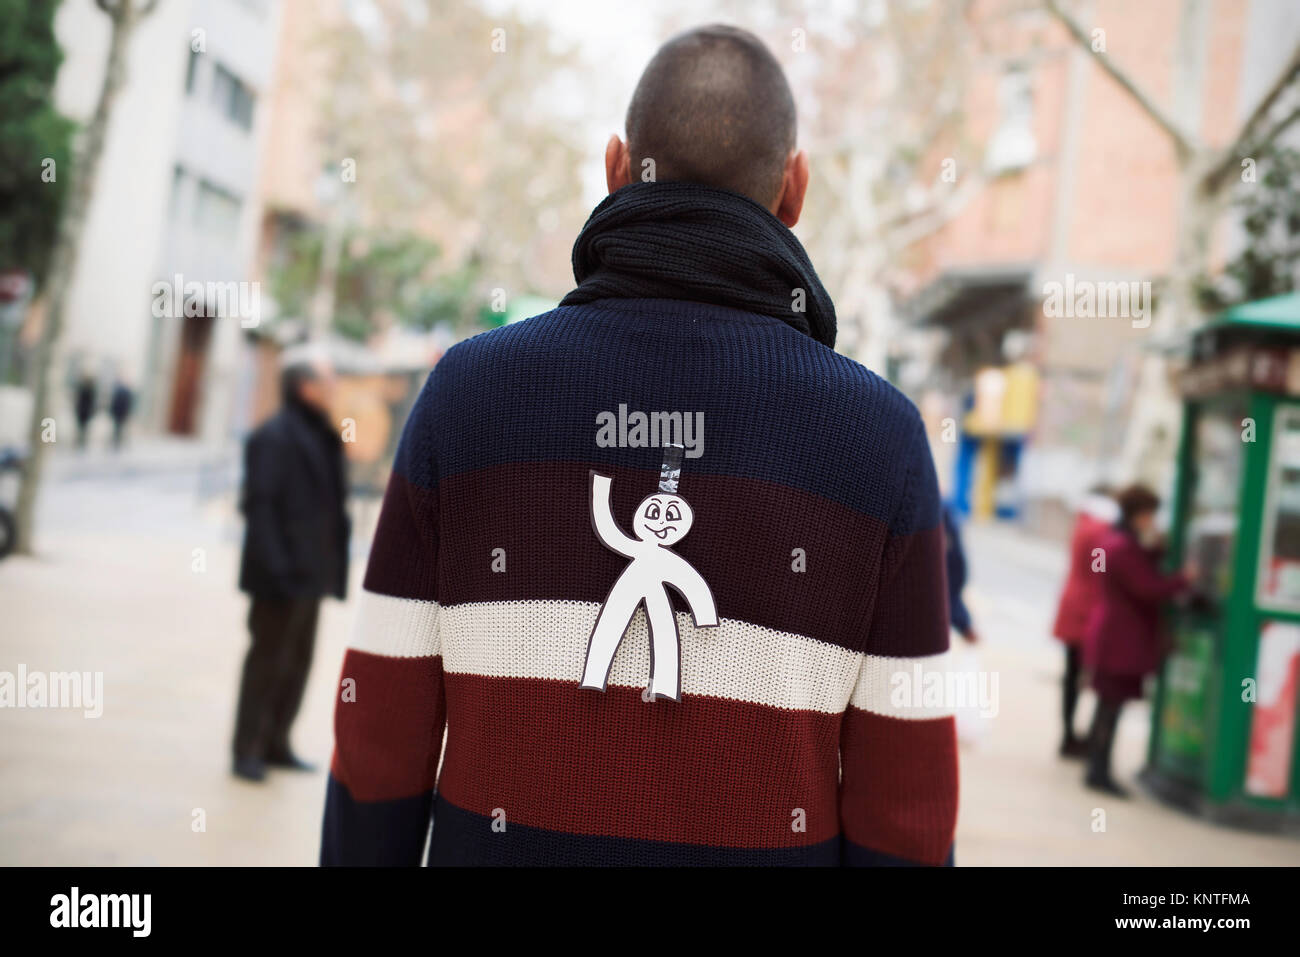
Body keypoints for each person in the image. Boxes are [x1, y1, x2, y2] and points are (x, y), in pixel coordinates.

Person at [322, 24, 957, 866]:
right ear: (794, 190)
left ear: (617, 167)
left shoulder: (467, 394)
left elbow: (380, 741)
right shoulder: (881, 440)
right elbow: (905, 806)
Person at [232, 345, 350, 783]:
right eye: (327, 380)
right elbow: (259, 509)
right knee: (266, 663)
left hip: (310, 577)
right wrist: (278, 570)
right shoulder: (274, 436)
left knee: (297, 664)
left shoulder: (321, 434)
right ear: (306, 387)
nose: (333, 387)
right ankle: (247, 750)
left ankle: (277, 742)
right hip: (279, 578)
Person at [1082, 484, 1190, 797]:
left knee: (1107, 704)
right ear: (1140, 514)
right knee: (1110, 705)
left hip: (1111, 634)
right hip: (1121, 639)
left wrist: (1155, 549)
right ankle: (1098, 771)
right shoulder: (1123, 547)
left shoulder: (1114, 541)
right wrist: (1186, 578)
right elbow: (1148, 588)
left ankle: (1096, 766)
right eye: (1151, 514)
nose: (1153, 521)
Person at [1050, 484, 1117, 758]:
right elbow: (1099, 569)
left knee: (1071, 676)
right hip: (1085, 610)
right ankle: (1072, 737)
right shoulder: (1099, 530)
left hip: (1073, 606)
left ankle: (1068, 734)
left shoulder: (1083, 523)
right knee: (1080, 677)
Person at [942, 502, 978, 645]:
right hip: (953, 569)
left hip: (951, 569)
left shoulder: (943, 509)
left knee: (948, 598)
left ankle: (966, 627)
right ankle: (966, 627)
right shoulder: (944, 508)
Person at [108, 377, 134, 451]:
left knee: (118, 428)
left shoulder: (121, 392)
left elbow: (124, 404)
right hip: (120, 413)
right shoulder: (124, 392)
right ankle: (117, 442)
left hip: (120, 413)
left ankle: (117, 441)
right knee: (118, 428)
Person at [73, 374, 96, 449]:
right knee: (82, 426)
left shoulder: (89, 389)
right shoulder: (85, 388)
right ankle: (81, 439)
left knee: (83, 426)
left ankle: (81, 440)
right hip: (83, 411)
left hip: (84, 411)